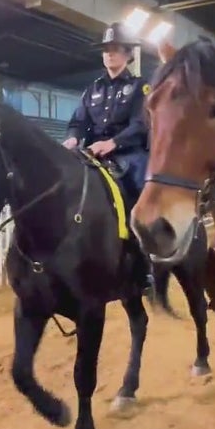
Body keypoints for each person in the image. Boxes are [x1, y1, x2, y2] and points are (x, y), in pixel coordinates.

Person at [63, 22, 152, 291]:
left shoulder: (140, 87)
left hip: (130, 154)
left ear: (128, 54)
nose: (110, 54)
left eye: (116, 49)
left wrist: (112, 142)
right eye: (106, 49)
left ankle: (146, 262)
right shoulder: (92, 89)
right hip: (93, 152)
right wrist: (73, 138)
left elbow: (141, 124)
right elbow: (78, 122)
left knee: (141, 193)